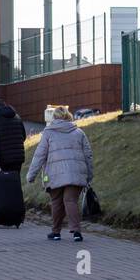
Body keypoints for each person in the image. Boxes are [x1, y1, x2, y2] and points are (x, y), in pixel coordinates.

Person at [25, 104, 93, 243]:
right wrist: (88, 175)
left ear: (54, 117)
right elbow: (88, 156)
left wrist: (31, 175)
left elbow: (39, 155)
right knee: (71, 201)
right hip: (75, 174)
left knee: (56, 202)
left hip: (54, 174)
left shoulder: (48, 133)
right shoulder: (79, 132)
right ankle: (76, 232)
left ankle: (56, 232)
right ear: (68, 116)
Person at [0, 98, 26, 172]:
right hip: (18, 158)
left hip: (4, 159)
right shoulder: (17, 117)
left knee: (4, 182)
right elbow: (23, 136)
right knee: (15, 181)